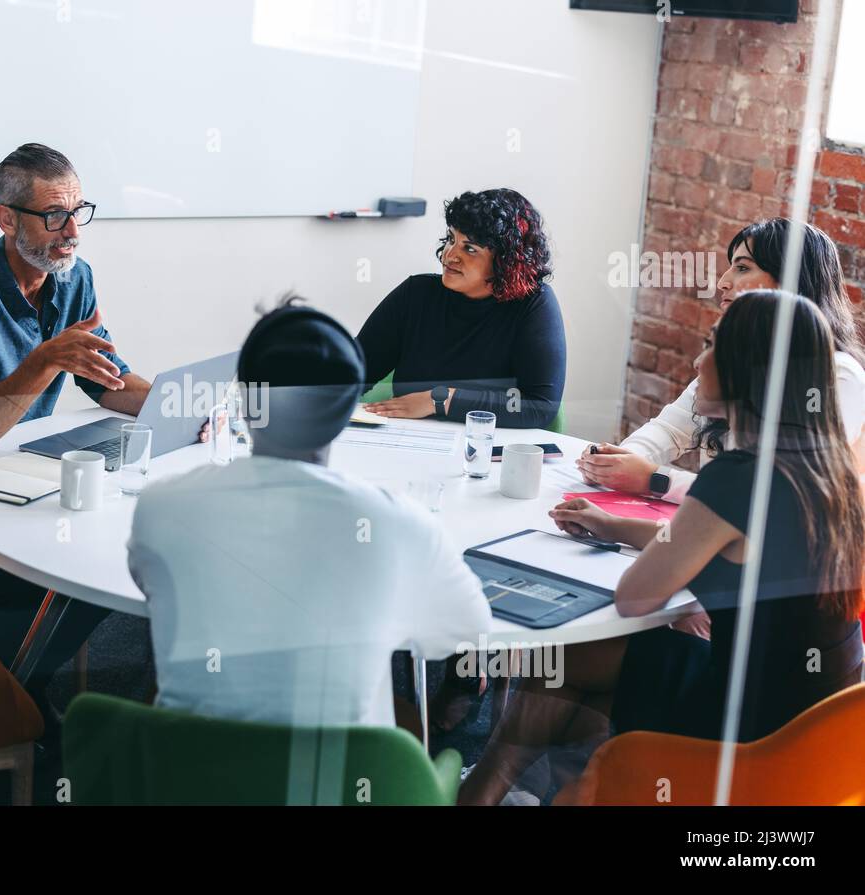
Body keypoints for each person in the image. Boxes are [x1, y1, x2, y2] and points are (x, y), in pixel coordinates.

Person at [460, 290, 865, 806]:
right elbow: (719, 545)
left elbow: (634, 598)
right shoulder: (828, 471)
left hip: (748, 731)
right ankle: (566, 787)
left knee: (561, 657)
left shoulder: (739, 477)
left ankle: (507, 789)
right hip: (820, 727)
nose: (698, 363)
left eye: (711, 345)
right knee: (596, 672)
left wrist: (635, 537)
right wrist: (614, 526)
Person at [0, 143, 200, 713]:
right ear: (6, 218)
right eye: (54, 215)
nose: (71, 230)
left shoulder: (73, 277)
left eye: (80, 211)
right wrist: (48, 357)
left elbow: (106, 380)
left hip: (11, 478)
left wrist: (185, 406)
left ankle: (14, 686)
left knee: (113, 559)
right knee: (66, 573)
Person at [127, 298, 492, 727]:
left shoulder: (161, 505)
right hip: (341, 780)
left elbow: (151, 586)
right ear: (347, 416)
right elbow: (467, 631)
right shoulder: (402, 526)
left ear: (243, 402)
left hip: (180, 778)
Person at [580, 218, 865, 500]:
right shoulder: (739, 355)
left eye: (742, 268)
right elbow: (671, 428)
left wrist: (653, 479)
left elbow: (777, 493)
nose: (723, 281)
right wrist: (615, 463)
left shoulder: (837, 375)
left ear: (791, 282)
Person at [358, 188, 566, 430]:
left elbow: (539, 406)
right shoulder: (416, 294)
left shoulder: (534, 305)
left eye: (470, 249)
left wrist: (441, 399)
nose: (450, 255)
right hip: (408, 440)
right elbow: (357, 369)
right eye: (451, 239)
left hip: (490, 446)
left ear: (505, 262)